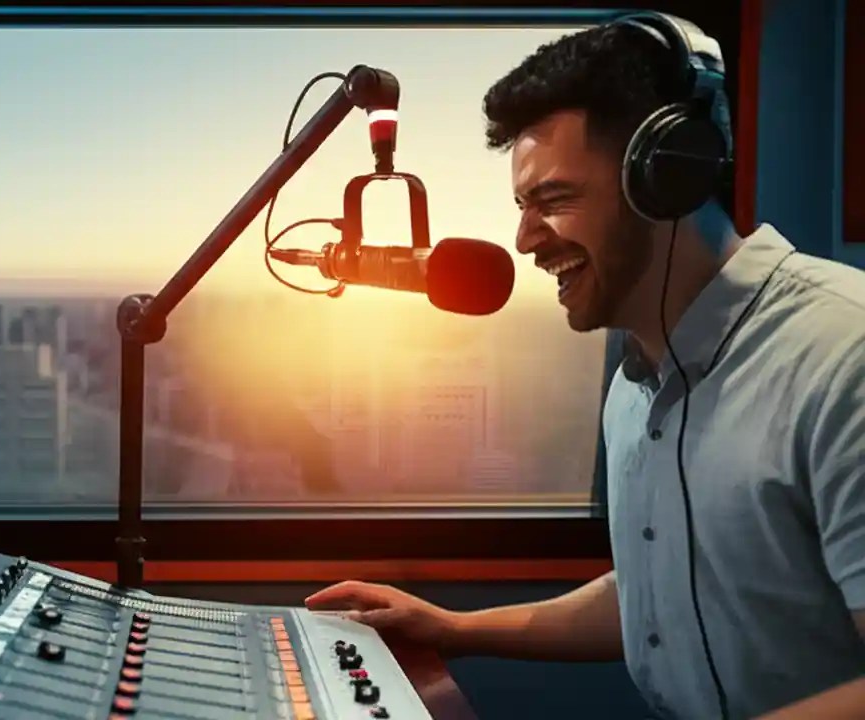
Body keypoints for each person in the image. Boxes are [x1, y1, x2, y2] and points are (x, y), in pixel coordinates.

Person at [307, 14, 865, 720]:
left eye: (555, 200)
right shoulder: (639, 380)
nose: (524, 239)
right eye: (521, 204)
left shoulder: (844, 355)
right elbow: (656, 591)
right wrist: (454, 628)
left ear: (667, 178)